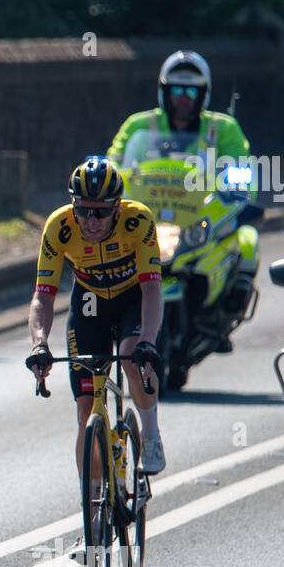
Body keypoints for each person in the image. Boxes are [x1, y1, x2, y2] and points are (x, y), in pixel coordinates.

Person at [25, 158, 164, 558]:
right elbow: (44, 295)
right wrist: (39, 343)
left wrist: (149, 340)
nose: (90, 221)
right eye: (83, 210)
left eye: (100, 213)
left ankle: (151, 433)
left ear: (117, 208)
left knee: (130, 356)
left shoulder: (139, 222)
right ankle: (92, 525)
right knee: (86, 411)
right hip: (87, 303)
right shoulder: (59, 226)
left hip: (132, 298)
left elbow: (153, 291)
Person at [109, 49, 256, 351]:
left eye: (192, 91)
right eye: (177, 90)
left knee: (247, 243)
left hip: (196, 219)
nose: (184, 98)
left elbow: (242, 171)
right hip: (150, 219)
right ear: (164, 92)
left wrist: (237, 191)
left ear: (204, 94)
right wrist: (109, 181)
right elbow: (117, 162)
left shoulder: (223, 129)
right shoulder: (139, 126)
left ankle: (224, 312)